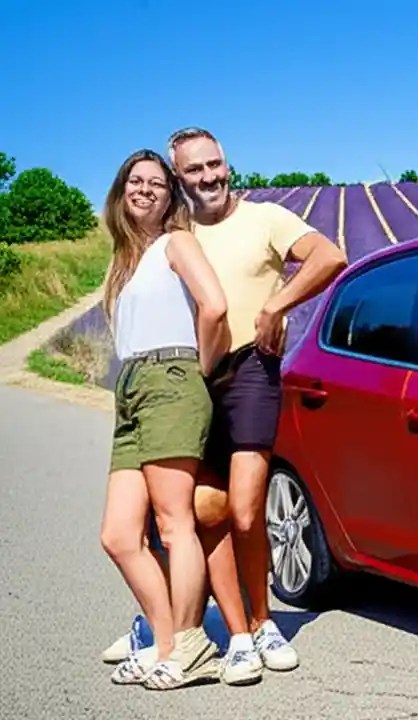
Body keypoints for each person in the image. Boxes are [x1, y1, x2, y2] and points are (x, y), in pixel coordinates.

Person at [100, 127, 348, 684]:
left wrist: (275, 307)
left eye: (215, 164)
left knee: (241, 508)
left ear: (227, 164)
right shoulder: (176, 233)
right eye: (193, 171)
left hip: (247, 369)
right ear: (179, 180)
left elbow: (329, 257)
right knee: (195, 512)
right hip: (193, 376)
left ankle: (262, 623)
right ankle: (202, 630)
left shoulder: (265, 219)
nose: (208, 176)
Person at [98, 149, 230, 689]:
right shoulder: (127, 261)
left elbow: (214, 306)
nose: (146, 189)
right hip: (131, 389)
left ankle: (191, 644)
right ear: (121, 191)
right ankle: (165, 640)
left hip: (170, 381)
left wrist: (195, 369)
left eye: (156, 182)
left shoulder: (177, 242)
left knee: (175, 525)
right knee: (119, 534)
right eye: (136, 181)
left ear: (170, 194)